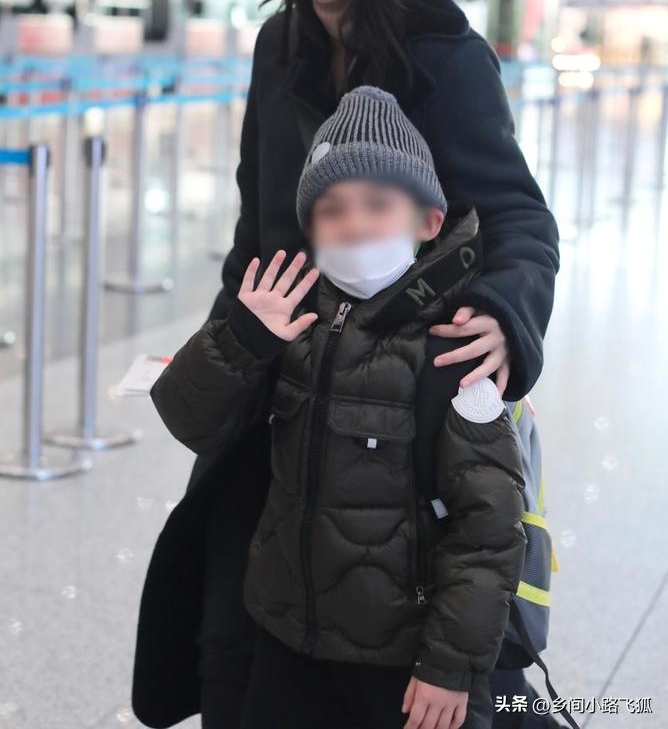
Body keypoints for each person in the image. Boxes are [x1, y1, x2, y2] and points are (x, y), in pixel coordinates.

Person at [131, 0, 561, 728]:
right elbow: (257, 225)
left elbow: (518, 213)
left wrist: (503, 313)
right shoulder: (276, 43)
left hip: (398, 381)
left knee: (371, 602)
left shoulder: (444, 50)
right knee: (233, 609)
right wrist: (233, 345)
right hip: (282, 358)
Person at [150, 85, 528, 729]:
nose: (353, 223)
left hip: (400, 658)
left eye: (379, 204)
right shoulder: (292, 323)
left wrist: (449, 667)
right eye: (331, 209)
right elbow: (192, 421)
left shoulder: (453, 348)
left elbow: (488, 531)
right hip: (285, 636)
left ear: (428, 221)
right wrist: (243, 337)